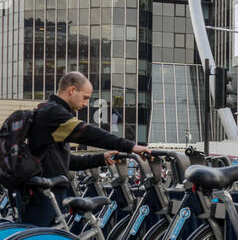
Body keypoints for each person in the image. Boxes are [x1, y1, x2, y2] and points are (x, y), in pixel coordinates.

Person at [18, 71, 151, 226]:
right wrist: (131, 146)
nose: (86, 103)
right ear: (72, 90)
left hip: (43, 192)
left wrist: (100, 158)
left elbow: (66, 161)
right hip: (42, 196)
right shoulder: (53, 114)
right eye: (85, 97)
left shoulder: (50, 112)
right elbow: (88, 133)